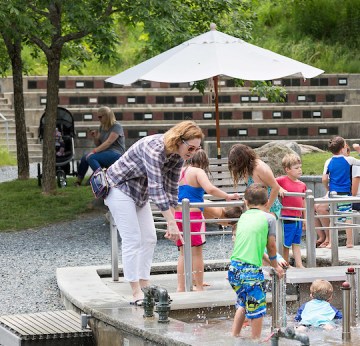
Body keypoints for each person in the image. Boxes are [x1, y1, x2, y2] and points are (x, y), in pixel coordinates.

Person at [104, 120, 200, 305]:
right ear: (179, 140)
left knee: (149, 238)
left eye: (196, 149)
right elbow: (156, 188)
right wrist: (171, 223)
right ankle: (135, 292)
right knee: (133, 239)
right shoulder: (154, 148)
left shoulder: (178, 156)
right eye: (190, 148)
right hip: (119, 189)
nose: (192, 153)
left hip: (140, 194)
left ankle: (145, 288)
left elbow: (171, 189)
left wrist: (171, 223)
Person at [175, 149, 240, 292]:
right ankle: (198, 286)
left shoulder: (179, 171)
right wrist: (227, 196)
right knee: (197, 253)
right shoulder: (198, 172)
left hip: (178, 216)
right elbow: (209, 189)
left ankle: (181, 287)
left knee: (183, 253)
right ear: (203, 162)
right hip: (194, 217)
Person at [228, 184, 284, 340]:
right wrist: (275, 265)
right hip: (250, 272)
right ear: (267, 203)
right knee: (257, 307)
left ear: (246, 202)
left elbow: (259, 249)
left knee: (243, 303)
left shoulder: (244, 217)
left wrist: (274, 264)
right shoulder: (269, 218)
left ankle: (235, 336)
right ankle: (256, 341)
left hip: (234, 269)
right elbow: (271, 246)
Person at [316, 140, 360, 249]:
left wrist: (328, 189)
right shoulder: (349, 160)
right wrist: (358, 150)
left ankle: (330, 242)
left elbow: (324, 179)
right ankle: (349, 242)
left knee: (332, 217)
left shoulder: (329, 162)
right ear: (342, 149)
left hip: (334, 195)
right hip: (345, 194)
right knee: (347, 216)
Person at [227, 144, 285, 216]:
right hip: (256, 209)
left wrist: (267, 207)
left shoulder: (259, 167)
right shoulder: (246, 168)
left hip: (269, 208)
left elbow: (275, 187)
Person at [74, 106, 125, 186]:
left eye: (100, 117)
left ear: (107, 116)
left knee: (91, 157)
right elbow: (99, 144)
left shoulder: (117, 126)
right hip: (105, 152)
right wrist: (95, 136)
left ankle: (103, 179)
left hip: (116, 153)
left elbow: (108, 142)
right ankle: (78, 181)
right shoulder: (102, 126)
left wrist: (93, 152)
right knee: (85, 157)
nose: (99, 119)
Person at [276, 153, 307, 268]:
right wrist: (280, 188)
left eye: (300, 167)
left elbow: (303, 201)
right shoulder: (282, 180)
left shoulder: (302, 185)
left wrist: (304, 218)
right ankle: (286, 264)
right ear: (287, 169)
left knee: (296, 242)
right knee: (286, 243)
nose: (299, 170)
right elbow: (271, 183)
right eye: (296, 168)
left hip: (298, 217)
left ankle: (299, 264)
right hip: (287, 217)